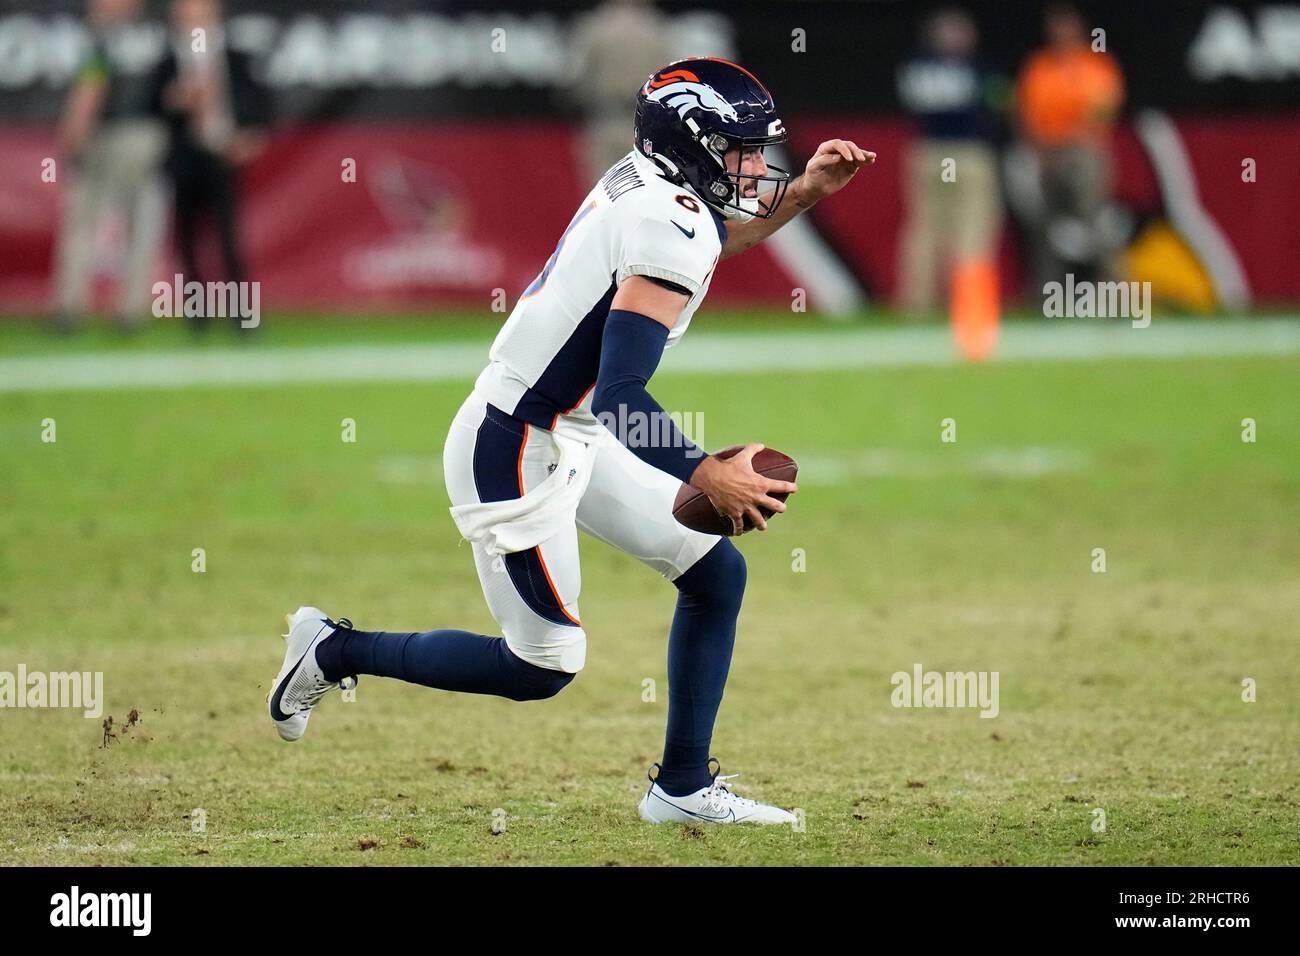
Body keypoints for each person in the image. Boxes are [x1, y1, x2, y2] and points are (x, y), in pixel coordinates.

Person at [268, 58, 875, 825]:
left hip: (564, 427)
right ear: (691, 147)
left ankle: (682, 791)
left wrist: (803, 196)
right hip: (516, 443)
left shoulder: (655, 184)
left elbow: (711, 240)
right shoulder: (670, 222)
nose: (755, 166)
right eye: (739, 149)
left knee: (716, 577)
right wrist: (703, 470)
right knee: (542, 665)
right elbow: (625, 396)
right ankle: (331, 649)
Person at [51, 0, 168, 331]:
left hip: (110, 134)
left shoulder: (103, 37)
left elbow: (90, 88)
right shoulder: (157, 36)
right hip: (146, 135)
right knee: (139, 223)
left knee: (85, 220)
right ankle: (129, 309)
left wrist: (74, 130)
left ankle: (70, 306)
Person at [154, 0, 268, 331]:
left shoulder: (234, 56)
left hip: (223, 154)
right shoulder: (169, 58)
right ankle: (197, 315)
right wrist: (174, 99)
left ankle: (241, 315)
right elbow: (152, 106)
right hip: (185, 156)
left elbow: (260, 104)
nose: (190, 12)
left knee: (229, 238)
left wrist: (249, 137)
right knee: (188, 239)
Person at [895, 7, 1003, 313]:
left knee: (925, 227)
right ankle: (970, 302)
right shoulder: (976, 70)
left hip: (927, 153)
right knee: (973, 226)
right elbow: (1000, 98)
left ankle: (916, 302)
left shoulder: (915, 67)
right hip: (967, 154)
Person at [1014, 2, 1125, 287]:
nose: (1061, 32)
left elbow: (1102, 114)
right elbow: (1025, 114)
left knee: (1095, 217)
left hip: (1083, 152)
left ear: (1079, 29)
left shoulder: (1095, 64)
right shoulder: (1039, 66)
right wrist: (1041, 151)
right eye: (1056, 26)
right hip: (1044, 154)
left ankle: (1113, 290)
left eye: (1067, 25)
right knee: (1042, 222)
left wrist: (1068, 140)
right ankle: (1049, 294)